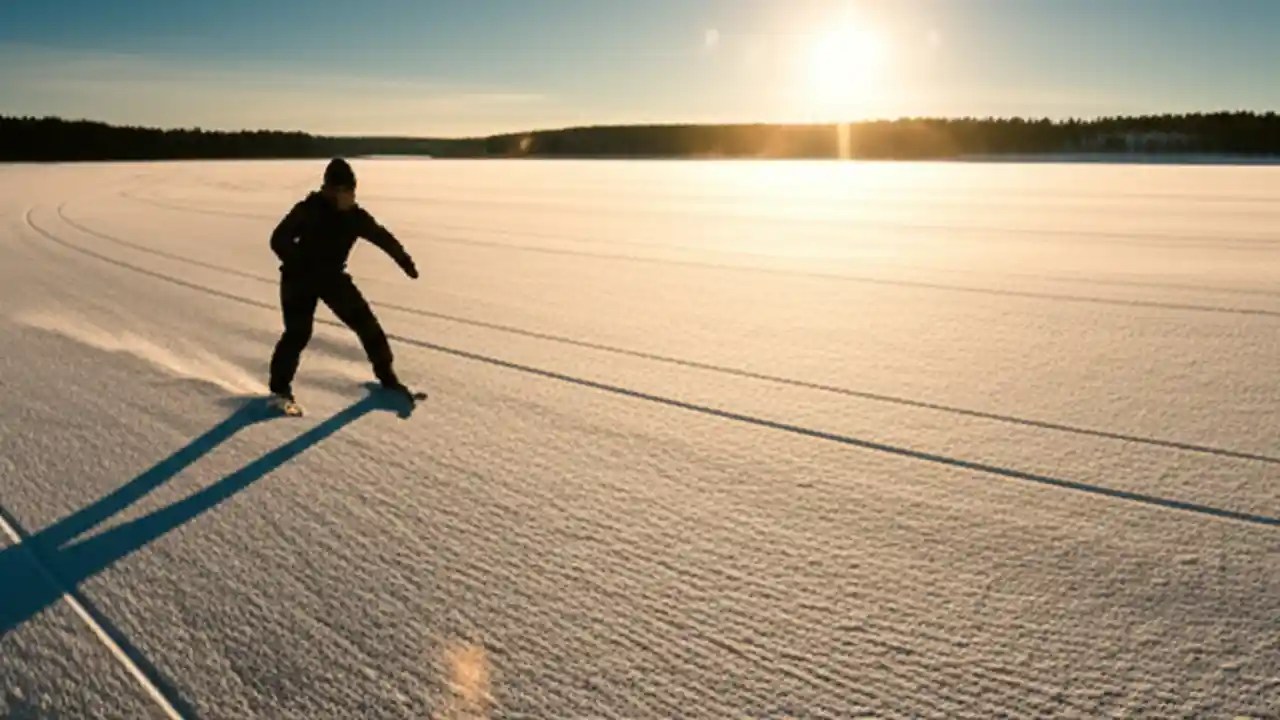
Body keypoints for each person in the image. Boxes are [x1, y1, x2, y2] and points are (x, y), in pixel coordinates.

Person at [266, 157, 420, 410]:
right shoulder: (308, 209)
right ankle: (279, 391)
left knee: (367, 325)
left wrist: (405, 261)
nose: (349, 196)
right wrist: (301, 262)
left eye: (351, 191)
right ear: (330, 189)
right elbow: (278, 239)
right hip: (298, 279)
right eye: (343, 191)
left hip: (333, 279)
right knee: (297, 333)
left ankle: (388, 378)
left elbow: (381, 236)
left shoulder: (355, 216)